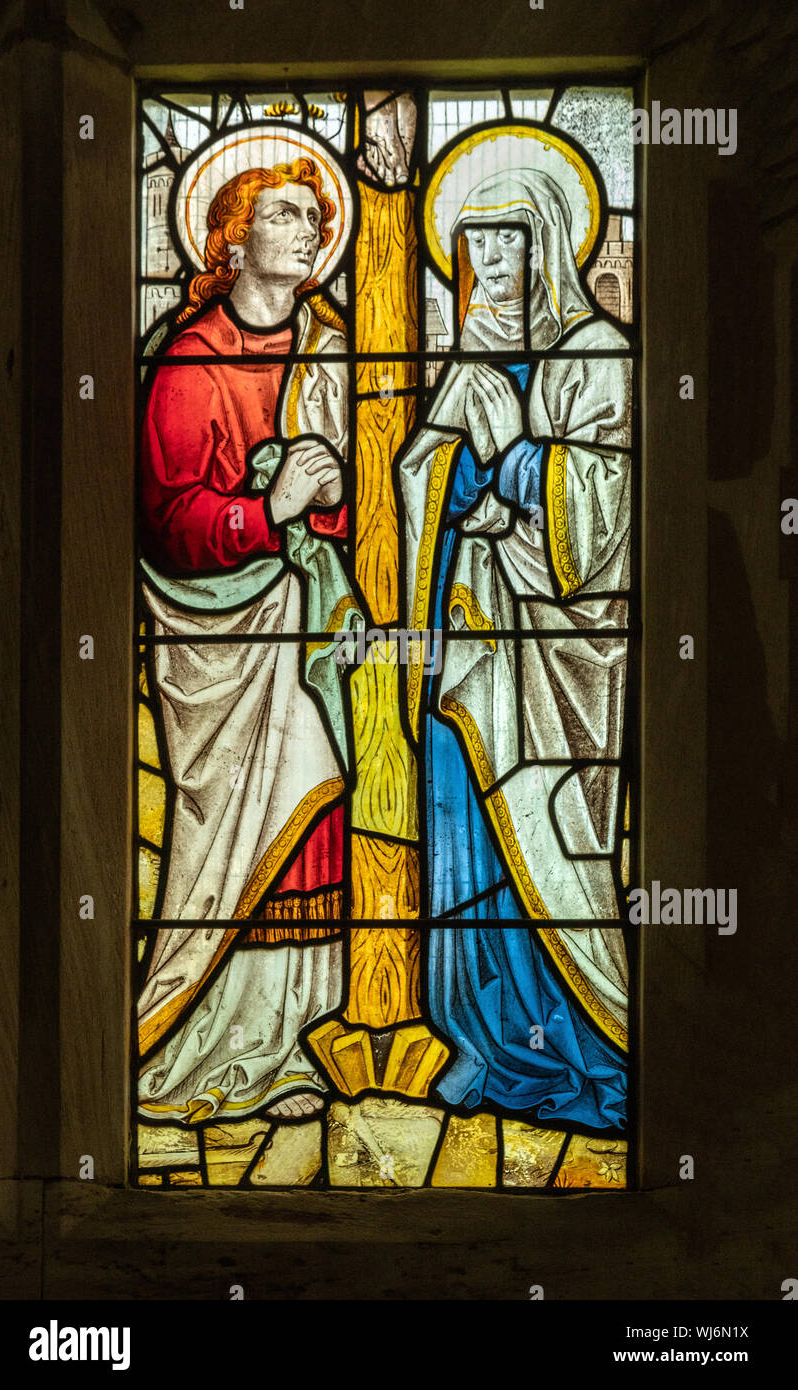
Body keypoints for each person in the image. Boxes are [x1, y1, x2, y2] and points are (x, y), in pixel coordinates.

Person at [398, 162, 630, 1128]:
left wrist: (521, 460)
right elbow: (421, 481)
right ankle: (487, 1041)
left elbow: (610, 508)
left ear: (550, 248)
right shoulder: (466, 360)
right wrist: (456, 471)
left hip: (561, 659)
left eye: (509, 239)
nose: (490, 261)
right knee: (465, 837)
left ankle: (585, 1041)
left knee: (553, 831)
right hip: (476, 652)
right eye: (475, 241)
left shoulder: (600, 354)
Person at [136, 155, 363, 1125]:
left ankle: (296, 1035)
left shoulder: (338, 344)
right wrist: (270, 508)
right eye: (285, 213)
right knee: (228, 838)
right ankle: (208, 1037)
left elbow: (367, 496)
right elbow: (166, 518)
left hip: (310, 626)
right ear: (230, 239)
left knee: (312, 823)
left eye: (316, 216)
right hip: (220, 641)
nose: (308, 229)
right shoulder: (191, 361)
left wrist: (334, 502)